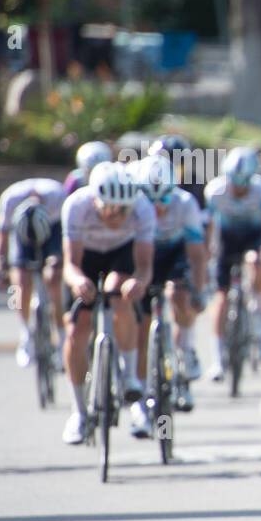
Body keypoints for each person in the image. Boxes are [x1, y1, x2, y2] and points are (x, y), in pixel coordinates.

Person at [59, 162, 157, 444]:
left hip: (121, 253)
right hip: (86, 257)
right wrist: (77, 281)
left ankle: (130, 381)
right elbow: (70, 265)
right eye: (110, 209)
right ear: (95, 200)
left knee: (119, 293)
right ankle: (78, 412)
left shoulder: (142, 209)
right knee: (77, 329)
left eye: (123, 210)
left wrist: (137, 282)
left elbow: (145, 266)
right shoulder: (76, 206)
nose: (116, 216)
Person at [130, 155, 206, 418]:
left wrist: (198, 290)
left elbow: (197, 256)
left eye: (164, 199)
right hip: (142, 259)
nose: (158, 208)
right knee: (140, 330)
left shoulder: (186, 204)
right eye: (151, 201)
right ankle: (140, 399)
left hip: (175, 255)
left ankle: (185, 352)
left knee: (180, 295)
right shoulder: (133, 206)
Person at [204, 147, 261, 377]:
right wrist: (208, 253)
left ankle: (259, 330)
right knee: (221, 297)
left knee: (257, 266)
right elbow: (208, 226)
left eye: (244, 184)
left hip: (252, 238)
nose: (239, 188)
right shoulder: (215, 191)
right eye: (235, 183)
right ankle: (218, 358)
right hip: (227, 242)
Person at [0, 178, 66, 368]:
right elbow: (0, 241)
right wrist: (0, 268)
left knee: (54, 278)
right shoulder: (10, 200)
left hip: (53, 230)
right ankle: (26, 333)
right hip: (22, 231)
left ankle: (61, 337)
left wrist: (57, 261)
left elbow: (66, 238)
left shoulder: (57, 195)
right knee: (21, 281)